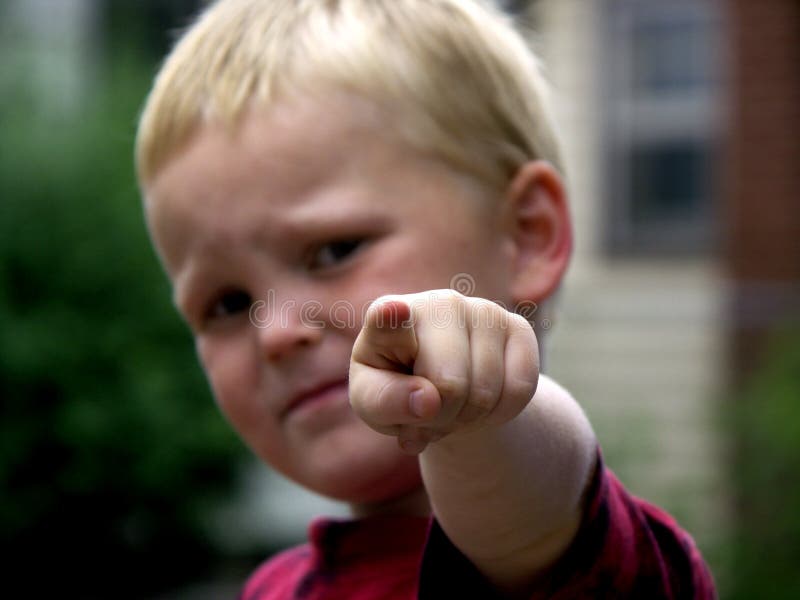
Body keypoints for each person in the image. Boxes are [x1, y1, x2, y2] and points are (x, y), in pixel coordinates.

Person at [135, 0, 717, 597]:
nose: (276, 332)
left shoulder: (588, 559)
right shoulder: (272, 587)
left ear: (525, 235)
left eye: (335, 250)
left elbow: (535, 507)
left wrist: (474, 420)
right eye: (228, 304)